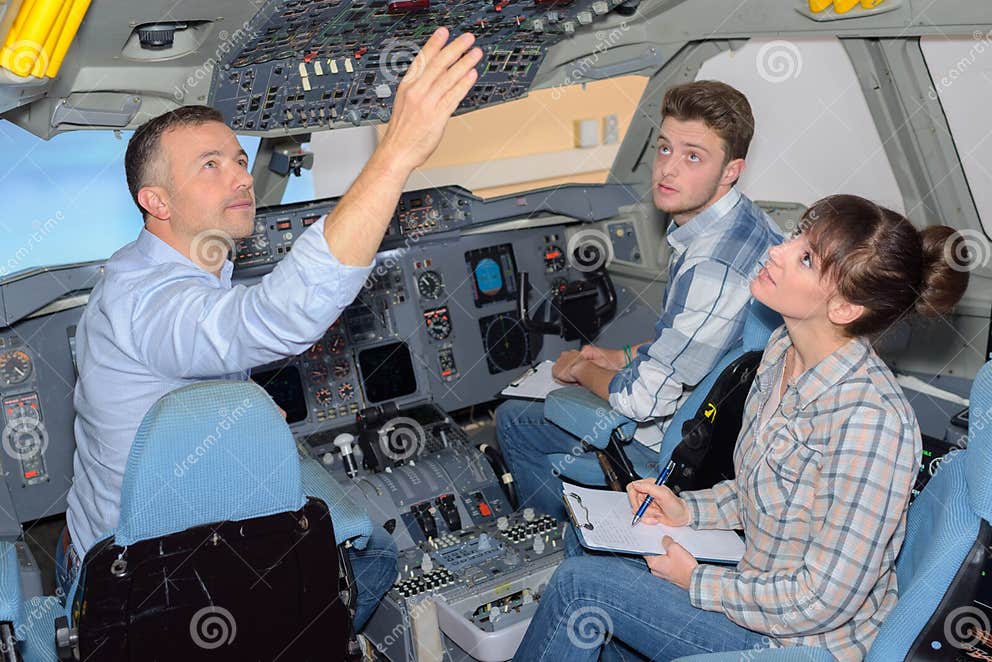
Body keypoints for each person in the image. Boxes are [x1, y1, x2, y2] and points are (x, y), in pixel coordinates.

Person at [59, 27, 482, 632]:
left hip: (139, 539)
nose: (239, 177)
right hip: (142, 581)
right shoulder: (145, 299)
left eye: (239, 159)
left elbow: (195, 362)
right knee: (374, 557)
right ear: (157, 202)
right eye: (210, 166)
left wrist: (243, 409)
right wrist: (396, 153)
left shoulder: (173, 268)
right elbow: (272, 319)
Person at [513, 195, 970, 661]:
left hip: (799, 644)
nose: (777, 250)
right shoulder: (780, 351)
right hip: (757, 589)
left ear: (845, 308)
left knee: (578, 588)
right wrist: (686, 510)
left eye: (806, 258)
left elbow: (820, 601)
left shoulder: (871, 422)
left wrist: (696, 580)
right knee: (585, 545)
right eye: (796, 237)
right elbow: (762, 489)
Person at [496, 81, 782, 519]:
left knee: (513, 420)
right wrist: (621, 356)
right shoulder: (750, 224)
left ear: (731, 170)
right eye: (665, 148)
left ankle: (554, 535)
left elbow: (642, 402)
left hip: (678, 445)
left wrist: (580, 369)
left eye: (693, 157)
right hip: (722, 424)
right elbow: (700, 341)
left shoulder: (712, 266)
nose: (667, 169)